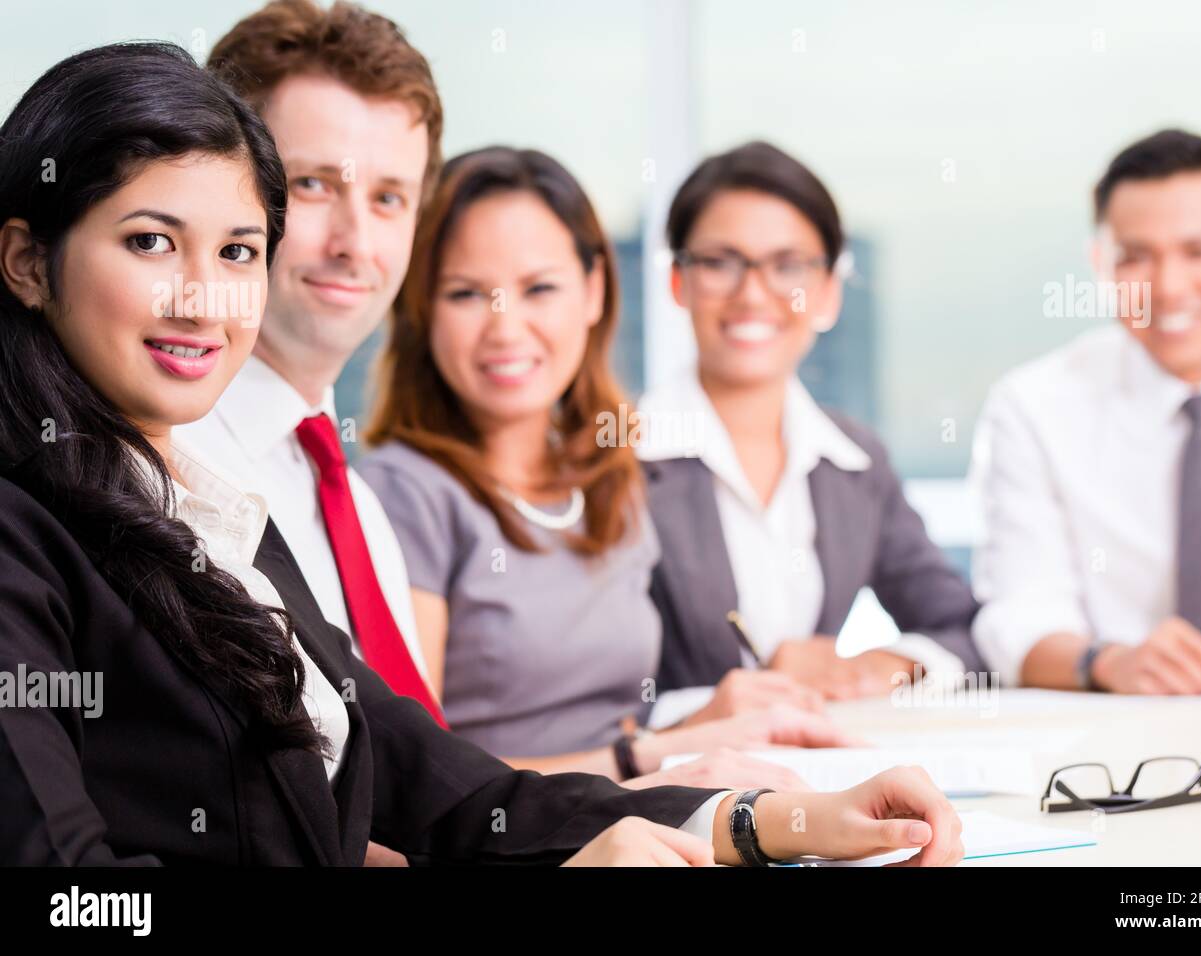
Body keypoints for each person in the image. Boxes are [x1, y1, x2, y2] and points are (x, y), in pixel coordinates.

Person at [0, 41, 964, 868]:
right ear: (28, 261)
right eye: (150, 242)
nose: (204, 301)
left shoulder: (208, 505)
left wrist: (767, 823)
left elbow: (448, 789)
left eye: (239, 251)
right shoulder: (24, 525)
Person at [358, 146, 843, 790]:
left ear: (593, 292)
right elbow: (410, 791)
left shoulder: (608, 474)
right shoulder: (404, 493)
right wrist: (647, 759)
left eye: (540, 289)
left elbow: (613, 732)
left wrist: (704, 726)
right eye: (467, 293)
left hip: (633, 821)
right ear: (422, 310)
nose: (506, 329)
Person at [639, 141, 985, 704]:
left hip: (818, 781)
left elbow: (965, 630)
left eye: (788, 266)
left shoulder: (854, 460)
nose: (753, 294)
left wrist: (886, 665)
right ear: (679, 283)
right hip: (669, 785)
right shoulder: (613, 459)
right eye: (720, 263)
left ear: (827, 294)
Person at [175, 0, 441, 720]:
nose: (355, 241)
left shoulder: (363, 512)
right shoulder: (163, 472)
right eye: (317, 184)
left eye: (390, 198)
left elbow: (428, 792)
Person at [970, 128, 1201, 695]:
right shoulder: (1033, 407)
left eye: (1199, 253)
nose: (1168, 288)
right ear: (1100, 263)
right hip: (1118, 748)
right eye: (1136, 258)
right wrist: (1106, 662)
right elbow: (1018, 614)